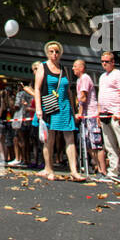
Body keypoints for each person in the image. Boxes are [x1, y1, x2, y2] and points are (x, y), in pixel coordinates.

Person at [34, 42, 84, 182]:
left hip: (65, 106)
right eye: (51, 51)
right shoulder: (42, 67)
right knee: (49, 139)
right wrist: (38, 108)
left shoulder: (64, 69)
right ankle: (49, 168)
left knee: (70, 138)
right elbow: (37, 88)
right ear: (47, 53)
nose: (54, 54)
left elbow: (69, 91)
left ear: (60, 53)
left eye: (56, 51)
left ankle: (74, 171)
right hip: (50, 106)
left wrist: (74, 112)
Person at [97, 50, 120, 180]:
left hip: (115, 113)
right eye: (102, 61)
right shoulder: (102, 77)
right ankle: (113, 171)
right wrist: (98, 113)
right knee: (109, 145)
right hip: (104, 113)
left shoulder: (118, 75)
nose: (104, 64)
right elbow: (100, 95)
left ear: (113, 62)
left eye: (107, 61)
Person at [72, 58, 105, 177]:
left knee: (96, 143)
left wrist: (79, 113)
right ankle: (97, 165)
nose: (73, 68)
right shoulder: (79, 80)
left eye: (75, 66)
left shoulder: (85, 78)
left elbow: (83, 98)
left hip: (91, 114)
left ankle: (103, 170)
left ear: (81, 67)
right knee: (87, 143)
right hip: (86, 116)